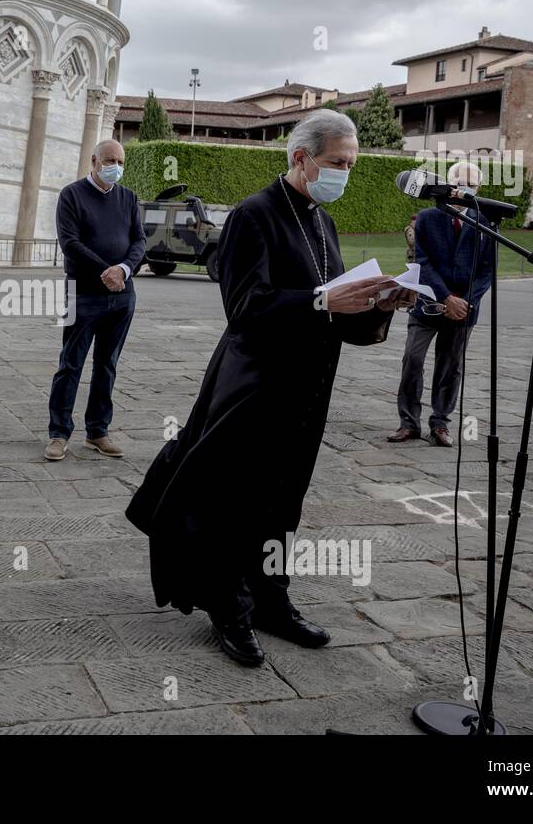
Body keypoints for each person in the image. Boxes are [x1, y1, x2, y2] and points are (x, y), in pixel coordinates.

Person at [125, 110, 413, 668]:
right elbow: (244, 308)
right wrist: (322, 302)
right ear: (301, 157)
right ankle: (229, 606)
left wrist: (378, 304)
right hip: (253, 384)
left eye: (351, 166)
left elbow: (334, 309)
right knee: (237, 498)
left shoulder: (323, 222)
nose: (345, 175)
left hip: (306, 388)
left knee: (284, 499)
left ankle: (270, 599)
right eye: (337, 164)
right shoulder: (253, 216)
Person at [45, 139, 146, 462]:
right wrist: (106, 270)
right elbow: (70, 243)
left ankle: (97, 431)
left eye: (120, 161)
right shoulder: (72, 196)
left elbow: (140, 241)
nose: (116, 166)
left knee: (107, 365)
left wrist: (124, 269)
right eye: (110, 160)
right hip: (83, 293)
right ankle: (59, 433)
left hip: (122, 296)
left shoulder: (128, 198)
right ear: (94, 161)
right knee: (70, 364)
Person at [388, 161, 495, 447]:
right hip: (429, 302)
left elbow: (487, 270)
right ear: (448, 184)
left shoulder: (486, 222)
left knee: (450, 366)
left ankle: (440, 424)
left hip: (464, 309)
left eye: (471, 183)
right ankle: (409, 423)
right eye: (459, 181)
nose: (464, 187)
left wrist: (466, 302)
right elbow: (422, 261)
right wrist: (446, 297)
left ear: (478, 188)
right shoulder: (427, 218)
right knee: (413, 358)